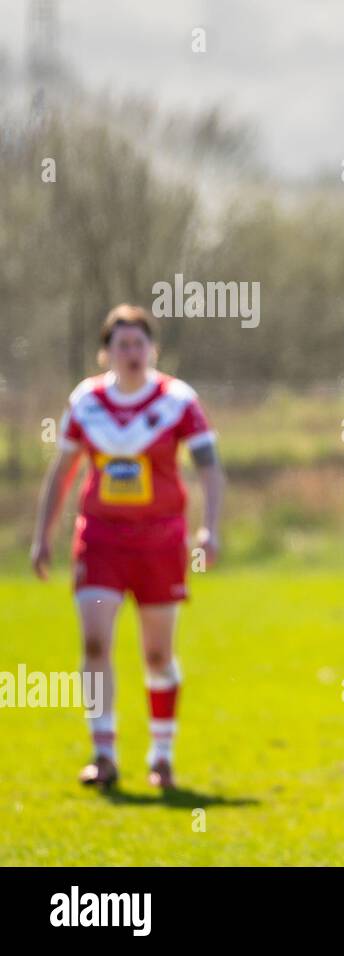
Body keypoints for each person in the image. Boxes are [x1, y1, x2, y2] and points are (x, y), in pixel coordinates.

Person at [30, 305, 225, 791]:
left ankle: (161, 755)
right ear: (107, 353)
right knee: (95, 644)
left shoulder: (178, 401)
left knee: (157, 655)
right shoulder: (87, 402)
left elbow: (209, 468)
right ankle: (103, 754)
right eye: (123, 345)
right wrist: (43, 534)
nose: (132, 353)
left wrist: (211, 527)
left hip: (160, 542)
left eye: (140, 343)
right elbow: (64, 471)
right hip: (101, 541)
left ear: (152, 349)